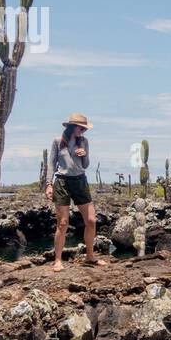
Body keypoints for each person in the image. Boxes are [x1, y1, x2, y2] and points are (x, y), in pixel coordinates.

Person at [45, 112, 107, 271]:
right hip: (62, 182)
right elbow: (51, 164)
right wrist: (48, 185)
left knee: (92, 220)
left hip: (80, 181)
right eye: (81, 128)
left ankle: (90, 257)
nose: (83, 131)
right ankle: (57, 260)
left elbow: (85, 165)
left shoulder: (84, 141)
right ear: (72, 126)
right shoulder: (58, 141)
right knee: (63, 222)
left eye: (84, 129)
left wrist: (84, 154)